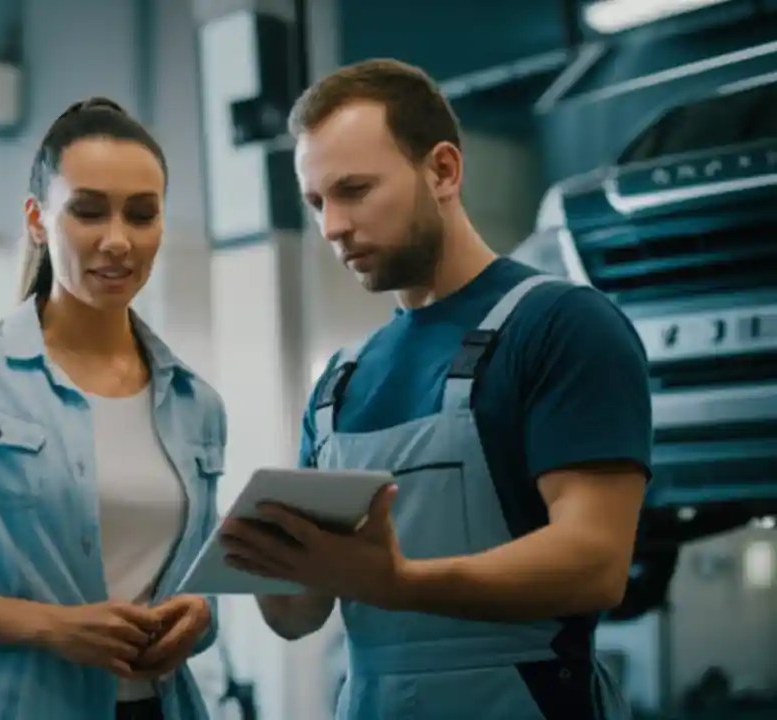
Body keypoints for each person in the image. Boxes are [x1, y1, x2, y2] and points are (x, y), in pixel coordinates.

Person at [219, 59, 651, 719]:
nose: (332, 226)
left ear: (443, 170)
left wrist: (400, 582)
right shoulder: (340, 380)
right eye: (316, 203)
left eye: (354, 190)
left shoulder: (563, 326)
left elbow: (595, 561)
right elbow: (300, 615)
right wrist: (260, 562)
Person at [0, 97, 225, 720]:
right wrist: (47, 627)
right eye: (88, 212)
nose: (118, 240)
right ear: (37, 219)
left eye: (142, 215)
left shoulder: (196, 404)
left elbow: (192, 580)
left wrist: (202, 616)